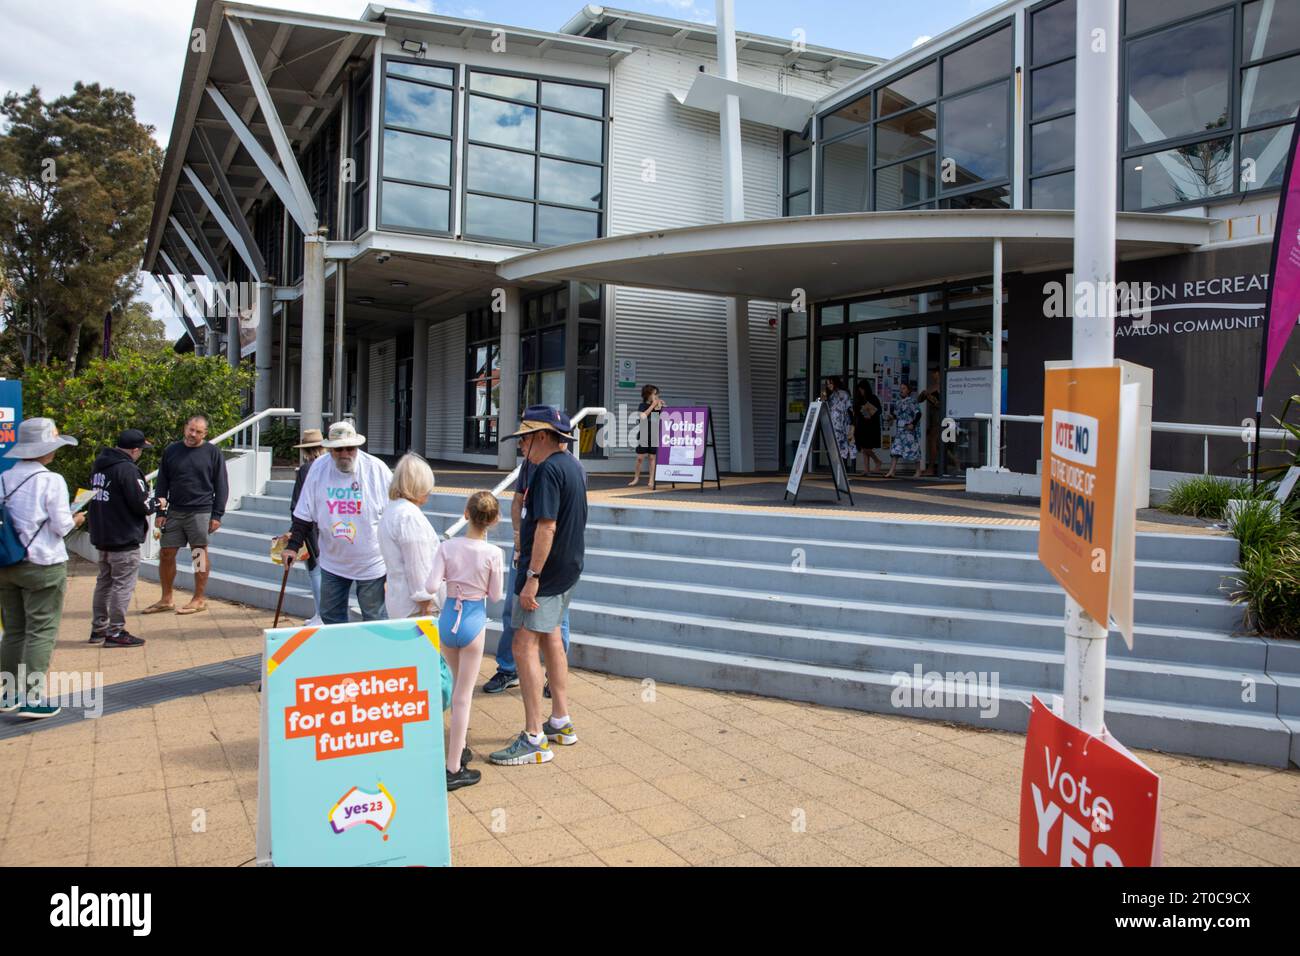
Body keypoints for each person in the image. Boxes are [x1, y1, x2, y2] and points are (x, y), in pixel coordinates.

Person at [490, 405, 588, 767]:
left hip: (545, 572)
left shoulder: (547, 470)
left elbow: (546, 526)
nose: (521, 445)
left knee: (523, 644)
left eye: (525, 438)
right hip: (567, 568)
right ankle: (560, 720)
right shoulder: (574, 466)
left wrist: (531, 578)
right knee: (550, 639)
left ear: (542, 436)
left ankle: (534, 737)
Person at [0, 418, 84, 718]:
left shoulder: (4, 478)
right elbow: (61, 526)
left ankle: (7, 694)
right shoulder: (51, 480)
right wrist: (77, 519)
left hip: (7, 564)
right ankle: (33, 699)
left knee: (14, 630)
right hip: (43, 564)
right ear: (46, 449)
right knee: (41, 631)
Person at [429, 491, 504, 790]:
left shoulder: (447, 547)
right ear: (494, 520)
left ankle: (455, 749)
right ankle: (453, 765)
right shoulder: (492, 553)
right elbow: (496, 595)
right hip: (473, 619)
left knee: (454, 686)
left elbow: (430, 585)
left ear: (466, 513)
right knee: (463, 696)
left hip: (447, 619)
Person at [482, 448, 572, 696]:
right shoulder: (529, 465)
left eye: (527, 438)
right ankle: (508, 669)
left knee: (558, 618)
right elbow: (518, 500)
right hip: (526, 547)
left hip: (553, 552)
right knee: (514, 608)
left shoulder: (568, 468)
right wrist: (518, 539)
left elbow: (553, 522)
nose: (523, 445)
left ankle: (553, 678)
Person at [283, 420, 392, 624]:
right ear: (330, 449)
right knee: (330, 616)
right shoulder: (317, 469)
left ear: (357, 447)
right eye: (338, 449)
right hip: (333, 562)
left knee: (375, 618)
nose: (344, 454)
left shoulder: (376, 470)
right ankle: (341, 655)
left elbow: (395, 515)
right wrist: (292, 546)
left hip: (371, 562)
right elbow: (304, 513)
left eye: (349, 448)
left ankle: (377, 656)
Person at [87, 428, 165, 647]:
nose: (141, 453)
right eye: (141, 450)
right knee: (122, 585)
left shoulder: (100, 466)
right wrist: (158, 503)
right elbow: (141, 505)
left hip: (103, 536)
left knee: (104, 583)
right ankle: (116, 631)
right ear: (134, 450)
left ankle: (98, 629)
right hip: (123, 538)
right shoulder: (127, 470)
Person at [146, 414, 228, 616]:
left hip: (201, 512)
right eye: (191, 429)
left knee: (198, 554)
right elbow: (162, 482)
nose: (193, 434)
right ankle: (166, 598)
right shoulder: (171, 451)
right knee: (166, 553)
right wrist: (160, 511)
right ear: (185, 428)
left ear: (205, 433)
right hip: (174, 511)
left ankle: (199, 598)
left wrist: (217, 515)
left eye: (198, 431)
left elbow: (222, 485)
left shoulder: (212, 452)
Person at [288, 428, 325, 623]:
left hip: (309, 526)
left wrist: (294, 532)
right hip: (327, 524)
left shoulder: (306, 469)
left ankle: (321, 613)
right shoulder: (329, 466)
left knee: (315, 570)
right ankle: (321, 613)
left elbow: (298, 504)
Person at [886, 382, 925, 479]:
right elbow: (896, 414)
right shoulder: (898, 402)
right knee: (895, 450)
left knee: (914, 449)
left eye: (903, 388)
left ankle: (918, 471)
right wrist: (891, 417)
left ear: (908, 390)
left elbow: (918, 413)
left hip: (909, 430)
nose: (901, 390)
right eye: (901, 388)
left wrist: (913, 424)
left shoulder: (912, 401)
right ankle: (892, 471)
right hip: (900, 430)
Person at [628, 384, 663, 489]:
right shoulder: (642, 405)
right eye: (654, 393)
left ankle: (651, 480)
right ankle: (636, 478)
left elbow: (661, 417)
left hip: (654, 432)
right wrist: (652, 406)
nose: (656, 396)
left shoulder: (658, 405)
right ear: (648, 395)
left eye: (656, 394)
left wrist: (661, 406)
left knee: (652, 457)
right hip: (643, 432)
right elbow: (642, 417)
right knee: (640, 458)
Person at [852, 380, 888, 476]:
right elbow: (856, 412)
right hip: (862, 426)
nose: (861, 392)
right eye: (859, 390)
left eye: (862, 389)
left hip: (871, 426)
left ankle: (877, 461)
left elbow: (879, 411)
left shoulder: (873, 398)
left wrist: (871, 413)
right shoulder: (858, 399)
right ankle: (866, 469)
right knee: (864, 448)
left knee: (867, 448)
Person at [825, 376, 854, 474]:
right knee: (837, 447)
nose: (829, 386)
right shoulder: (831, 396)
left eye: (830, 383)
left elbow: (849, 409)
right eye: (827, 384)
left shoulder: (843, 394)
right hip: (834, 424)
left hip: (842, 424)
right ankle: (838, 471)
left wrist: (852, 426)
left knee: (842, 447)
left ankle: (842, 471)